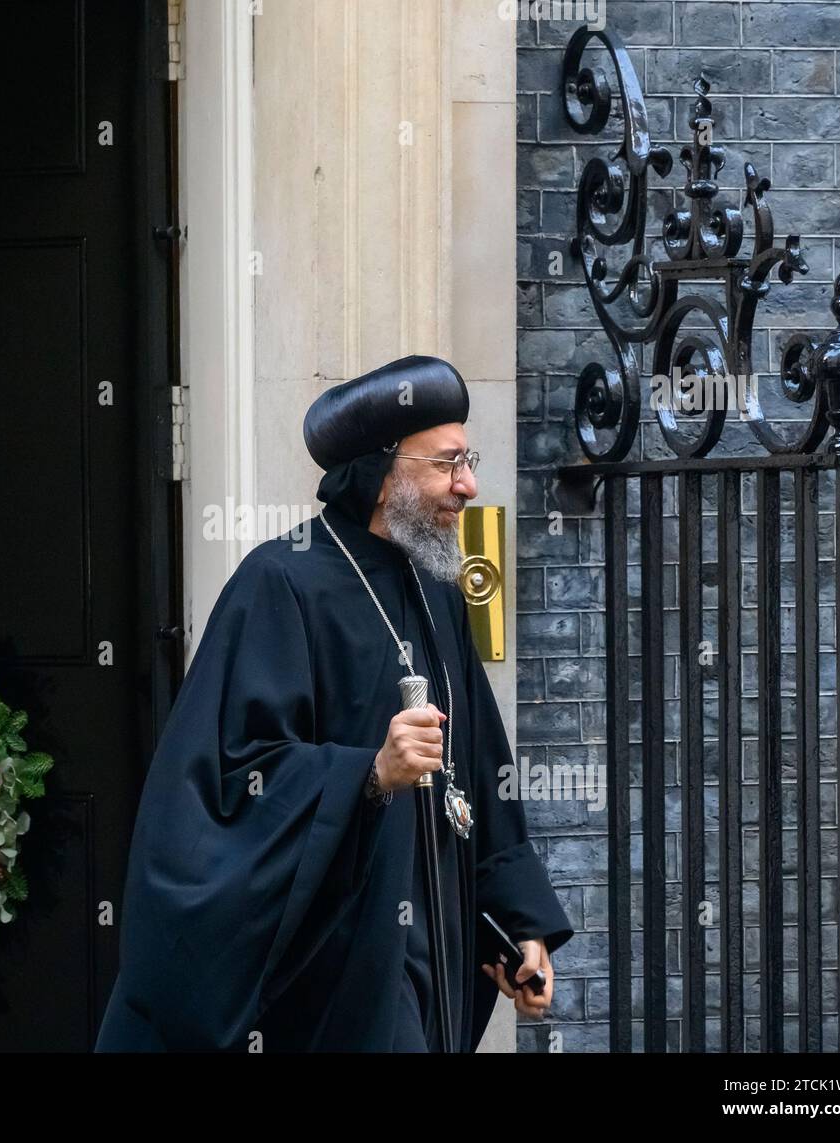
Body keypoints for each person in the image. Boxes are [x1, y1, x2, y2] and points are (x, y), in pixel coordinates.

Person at [95, 354, 573, 1052]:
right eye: (446, 463)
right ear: (383, 475)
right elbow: (229, 786)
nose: (468, 484)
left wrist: (516, 927)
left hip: (429, 943)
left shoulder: (437, 589)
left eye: (468, 459)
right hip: (336, 961)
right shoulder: (280, 581)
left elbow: (480, 776)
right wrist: (369, 772)